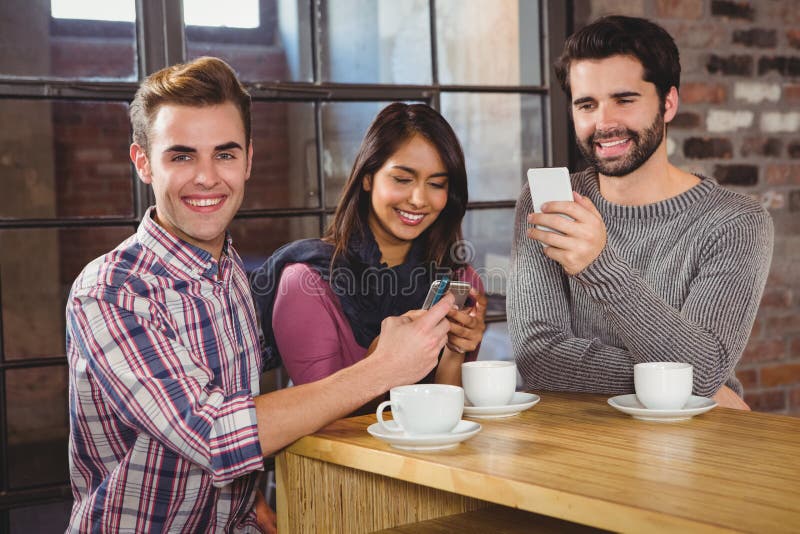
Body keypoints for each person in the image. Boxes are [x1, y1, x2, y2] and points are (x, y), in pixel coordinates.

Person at [66, 57, 455, 533]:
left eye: (224, 154)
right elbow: (213, 435)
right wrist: (382, 368)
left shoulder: (230, 271)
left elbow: (238, 430)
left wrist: (246, 501)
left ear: (248, 159)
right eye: (182, 155)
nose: (207, 177)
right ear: (143, 163)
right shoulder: (112, 291)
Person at [508, 16, 773, 408]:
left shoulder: (736, 223)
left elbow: (700, 372)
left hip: (689, 448)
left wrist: (598, 265)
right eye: (587, 104)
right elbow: (539, 361)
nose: (604, 122)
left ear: (668, 103)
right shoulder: (547, 204)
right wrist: (689, 384)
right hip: (573, 443)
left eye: (624, 100)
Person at [250, 103, 487, 389]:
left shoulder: (460, 281)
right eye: (402, 179)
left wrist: (454, 351)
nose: (418, 199)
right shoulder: (306, 283)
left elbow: (448, 411)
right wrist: (384, 362)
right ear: (367, 177)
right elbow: (319, 418)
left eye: (436, 184)